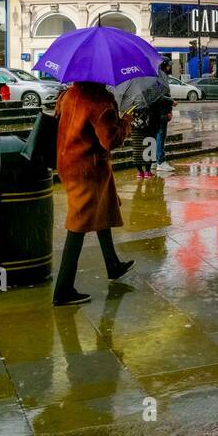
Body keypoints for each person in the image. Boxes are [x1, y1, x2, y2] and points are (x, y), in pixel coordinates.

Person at [53, 82, 135, 305]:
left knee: (104, 207)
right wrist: (125, 122)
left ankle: (112, 264)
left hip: (69, 161)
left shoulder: (69, 93)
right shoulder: (98, 100)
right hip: (87, 168)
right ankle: (63, 289)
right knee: (78, 224)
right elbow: (110, 140)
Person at [129, 102, 160, 180]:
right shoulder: (150, 103)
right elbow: (154, 118)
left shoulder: (131, 104)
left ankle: (140, 172)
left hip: (135, 131)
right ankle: (147, 172)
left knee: (137, 151)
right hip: (148, 130)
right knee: (148, 150)